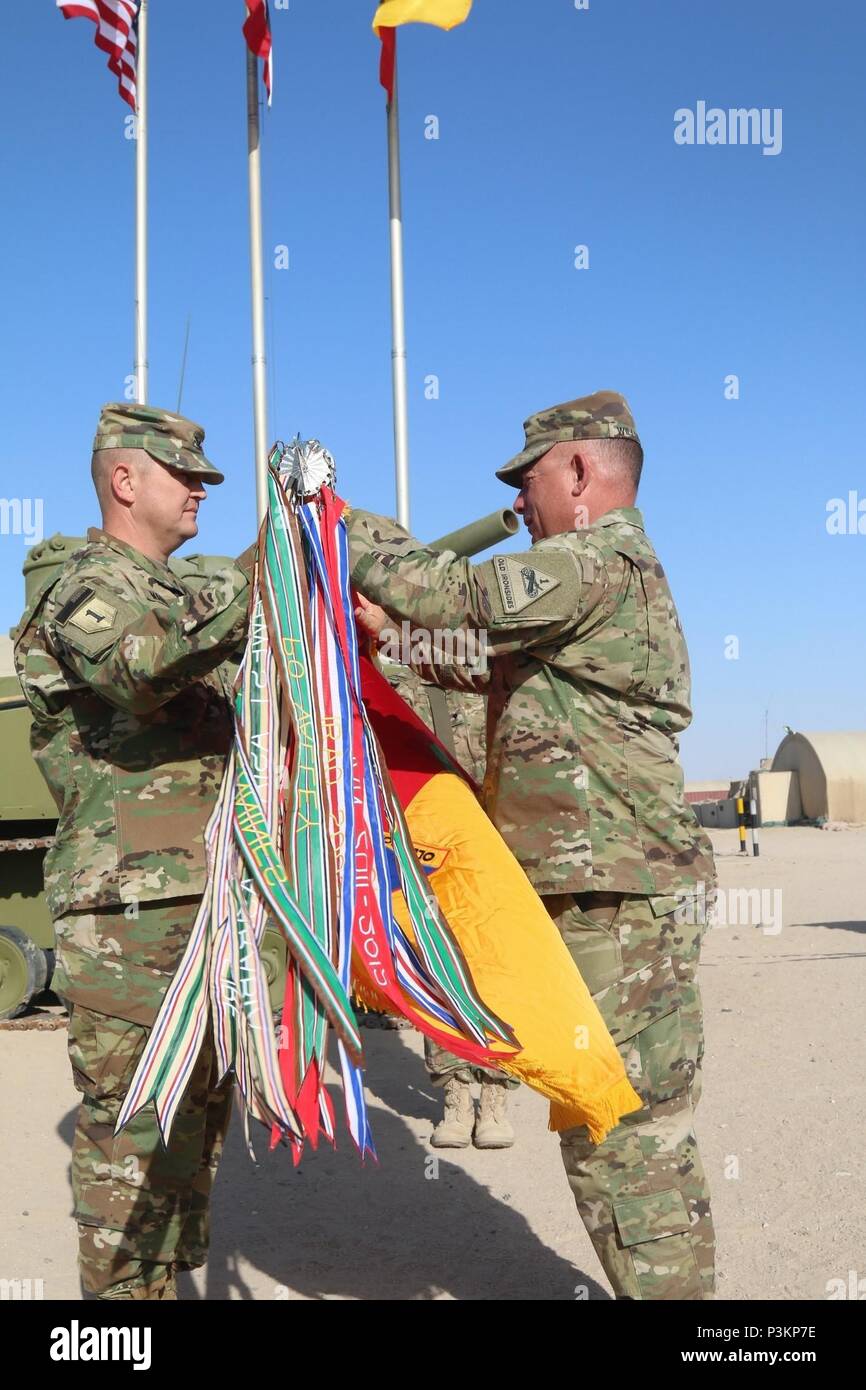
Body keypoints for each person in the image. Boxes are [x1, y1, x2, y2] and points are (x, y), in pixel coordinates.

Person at [348, 390, 717, 1300]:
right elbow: (474, 652)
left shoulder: (596, 558)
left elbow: (462, 593)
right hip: (596, 890)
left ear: (583, 472)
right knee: (605, 1124)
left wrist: (347, 528)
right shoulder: (586, 588)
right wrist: (387, 637)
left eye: (532, 479)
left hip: (616, 896)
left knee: (620, 1130)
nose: (519, 504)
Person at [14, 403, 256, 1301]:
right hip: (130, 911)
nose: (199, 489)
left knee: (192, 1140)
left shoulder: (182, 587)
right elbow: (139, 667)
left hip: (212, 900)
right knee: (132, 1142)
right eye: (183, 474)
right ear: (125, 480)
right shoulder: (78, 583)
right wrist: (259, 574)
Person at [381, 663, 518, 1149]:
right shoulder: (397, 671)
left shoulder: (491, 664)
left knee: (498, 963)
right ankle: (457, 1095)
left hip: (496, 835)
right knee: (436, 958)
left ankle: (497, 1095)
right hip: (429, 840)